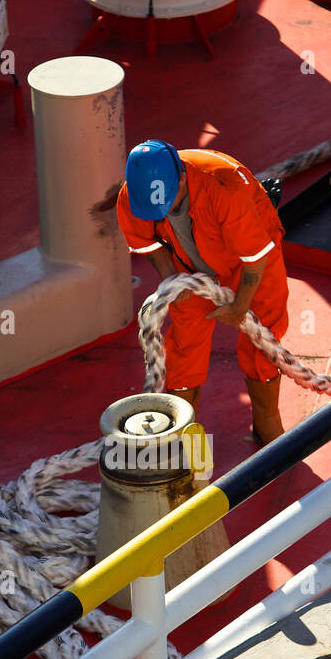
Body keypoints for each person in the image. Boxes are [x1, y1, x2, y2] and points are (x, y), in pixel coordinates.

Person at [116, 140, 289, 445]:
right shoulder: (133, 195)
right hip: (186, 265)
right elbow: (146, 242)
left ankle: (267, 423)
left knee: (263, 334)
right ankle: (179, 433)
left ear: (182, 178)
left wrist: (239, 307)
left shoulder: (223, 188)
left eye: (168, 202)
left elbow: (255, 258)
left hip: (250, 257)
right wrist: (172, 278)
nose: (162, 212)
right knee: (186, 342)